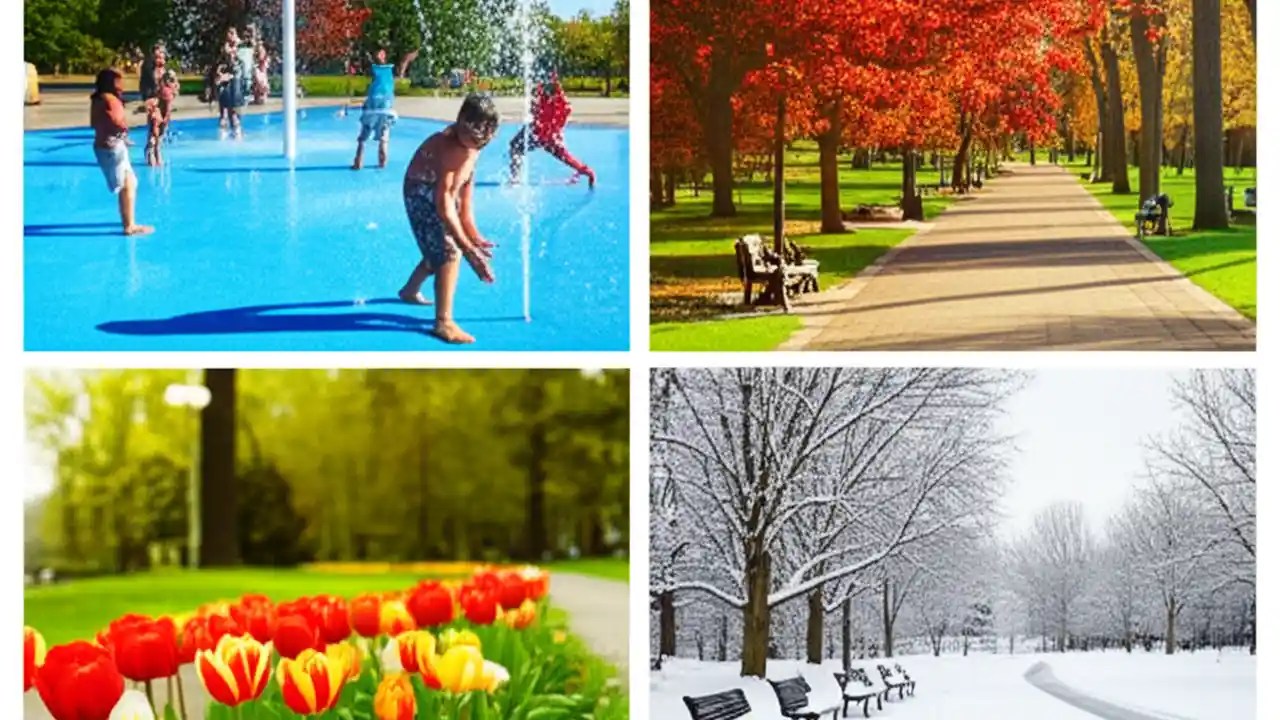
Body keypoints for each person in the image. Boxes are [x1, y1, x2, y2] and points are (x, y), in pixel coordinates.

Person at [399, 94, 500, 344]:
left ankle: (409, 291)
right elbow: (444, 202)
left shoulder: (473, 144)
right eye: (472, 132)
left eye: (484, 135)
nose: (478, 139)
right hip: (420, 192)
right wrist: (466, 249)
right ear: (460, 121)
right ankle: (443, 323)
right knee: (448, 252)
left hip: (438, 191)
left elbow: (465, 186)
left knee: (438, 247)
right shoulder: (450, 145)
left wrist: (471, 229)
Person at [90, 69, 153, 236]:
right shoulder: (111, 101)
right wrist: (129, 125)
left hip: (104, 146)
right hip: (112, 149)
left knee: (130, 182)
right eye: (119, 81)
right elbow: (118, 123)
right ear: (111, 83)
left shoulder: (99, 99)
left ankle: (129, 222)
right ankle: (129, 226)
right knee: (126, 185)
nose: (122, 84)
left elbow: (96, 123)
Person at [508, 73, 594, 187]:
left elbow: (535, 112)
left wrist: (533, 106)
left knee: (515, 147)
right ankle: (586, 171)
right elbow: (560, 116)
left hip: (539, 133)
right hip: (550, 135)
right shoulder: (558, 100)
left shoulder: (548, 100)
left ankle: (515, 178)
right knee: (564, 156)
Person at [351, 48, 418, 170]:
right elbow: (401, 65)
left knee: (370, 138)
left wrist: (407, 59)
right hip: (381, 109)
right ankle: (371, 163)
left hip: (377, 110)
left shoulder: (380, 69)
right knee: (377, 137)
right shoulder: (382, 69)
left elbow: (400, 67)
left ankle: (364, 163)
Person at [215, 28, 247, 135]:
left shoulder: (240, 49)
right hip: (226, 80)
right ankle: (224, 124)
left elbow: (240, 68)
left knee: (234, 109)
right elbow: (220, 66)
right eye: (228, 33)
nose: (230, 36)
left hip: (236, 81)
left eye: (232, 33)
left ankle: (235, 125)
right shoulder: (224, 49)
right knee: (224, 106)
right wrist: (221, 74)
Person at [144, 70, 178, 166]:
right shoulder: (165, 89)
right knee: (155, 134)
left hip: (160, 112)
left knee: (158, 135)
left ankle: (153, 154)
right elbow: (166, 105)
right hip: (158, 112)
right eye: (170, 78)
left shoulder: (169, 88)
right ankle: (153, 154)